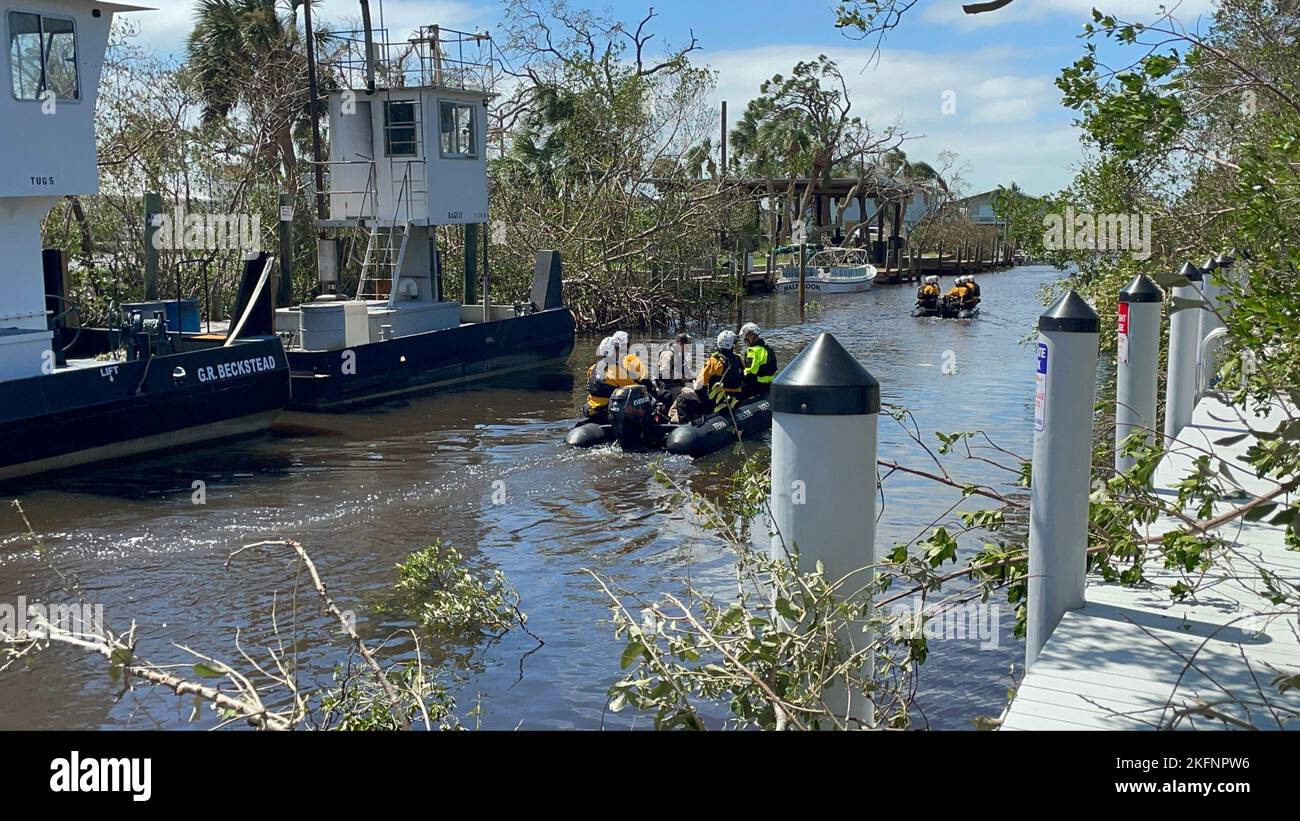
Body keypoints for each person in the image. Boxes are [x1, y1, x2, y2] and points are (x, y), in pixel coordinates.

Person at [669, 331, 744, 423]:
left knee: (683, 398)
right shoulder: (739, 359)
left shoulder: (713, 361)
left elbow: (698, 386)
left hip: (716, 402)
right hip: (735, 399)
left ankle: (682, 424)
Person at [584, 336, 641, 423]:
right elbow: (634, 388)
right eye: (618, 349)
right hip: (607, 410)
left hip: (592, 408)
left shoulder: (592, 368)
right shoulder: (616, 370)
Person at [739, 322, 776, 399]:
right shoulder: (768, 348)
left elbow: (750, 373)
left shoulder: (753, 351)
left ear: (753, 335)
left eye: (746, 337)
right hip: (769, 386)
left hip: (756, 387)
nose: (745, 340)